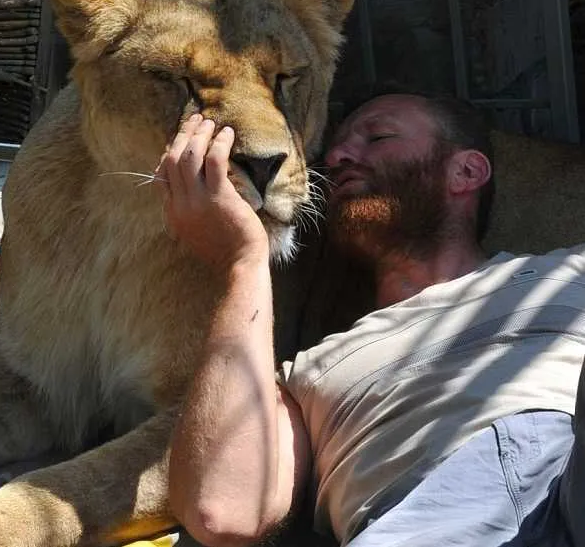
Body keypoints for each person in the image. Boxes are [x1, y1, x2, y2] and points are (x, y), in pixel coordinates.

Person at [161, 94, 584, 547]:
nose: (337, 157)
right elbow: (224, 508)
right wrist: (242, 262)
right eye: (334, 150)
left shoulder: (570, 271)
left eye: (378, 137)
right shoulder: (305, 375)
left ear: (466, 172)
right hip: (422, 523)